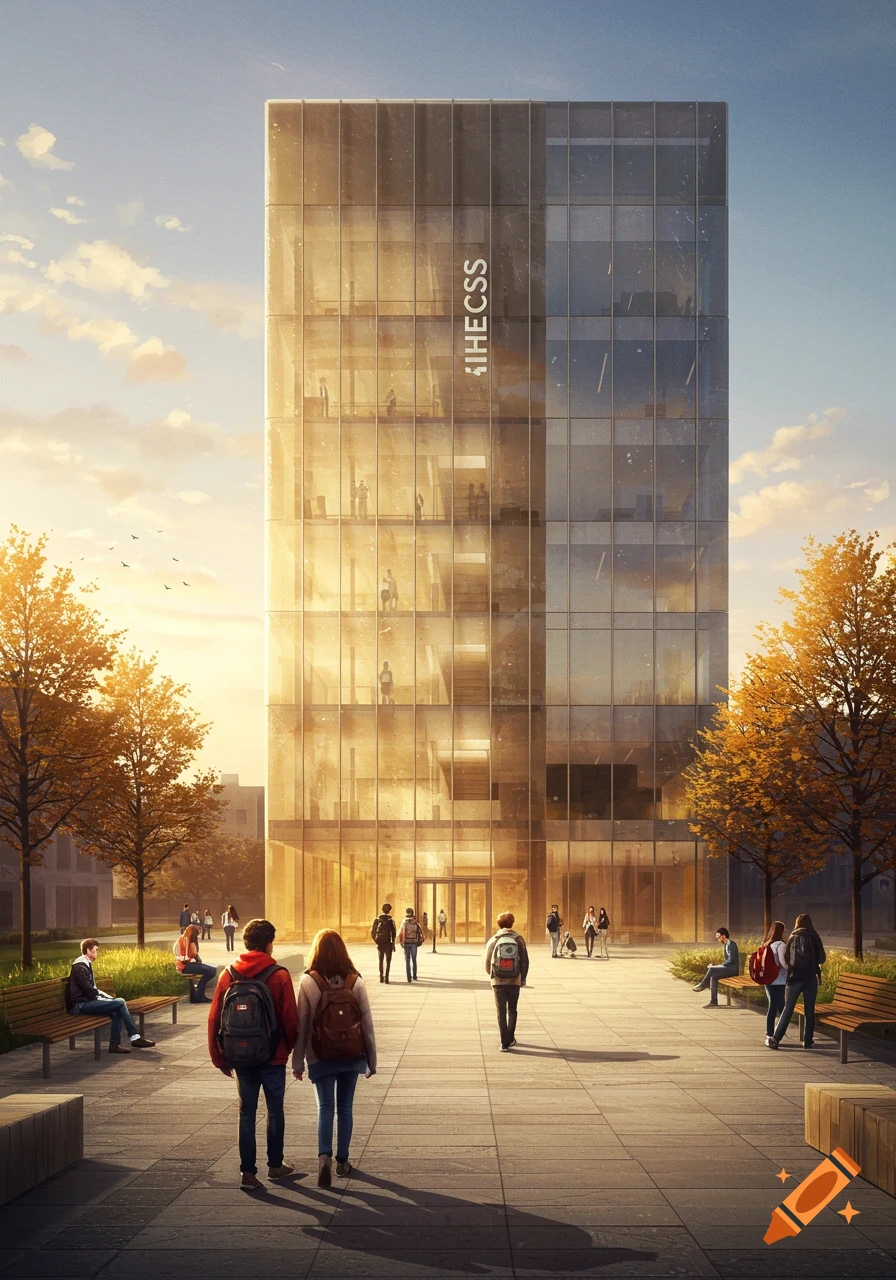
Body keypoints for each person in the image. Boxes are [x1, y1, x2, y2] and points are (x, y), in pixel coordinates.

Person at [208, 917, 298, 1192]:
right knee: (274, 1110)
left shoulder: (228, 974)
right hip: (272, 1057)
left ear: (246, 943)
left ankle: (248, 1173)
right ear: (269, 944)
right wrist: (287, 1048)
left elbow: (214, 1018)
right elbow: (290, 1019)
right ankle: (275, 1166)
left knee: (246, 1113)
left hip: (240, 1057)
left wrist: (218, 1057)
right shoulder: (279, 975)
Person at [293, 929, 376, 1187]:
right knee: (346, 1108)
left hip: (320, 1055)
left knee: (325, 1107)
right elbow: (367, 1024)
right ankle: (342, 1161)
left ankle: (324, 1158)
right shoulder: (355, 981)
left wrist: (298, 1062)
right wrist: (371, 1060)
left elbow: (302, 1026)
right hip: (351, 1054)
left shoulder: (309, 982)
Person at [65, 938, 155, 1055]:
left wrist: (108, 999)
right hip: (81, 1005)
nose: (97, 953)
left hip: (86, 1002)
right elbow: (90, 992)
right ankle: (134, 1037)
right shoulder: (80, 967)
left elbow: (92, 990)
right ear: (88, 950)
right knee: (120, 1002)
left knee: (116, 1009)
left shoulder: (85, 964)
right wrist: (107, 999)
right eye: (95, 950)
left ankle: (114, 1045)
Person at [767, 913, 827, 1050]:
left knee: (788, 1008)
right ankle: (807, 1041)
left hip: (794, 978)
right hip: (810, 978)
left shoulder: (792, 937)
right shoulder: (814, 936)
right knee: (809, 1010)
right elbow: (822, 959)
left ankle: (776, 1038)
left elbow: (787, 958)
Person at [485, 912, 530, 1052]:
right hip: (514, 979)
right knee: (512, 1009)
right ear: (512, 923)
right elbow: (525, 961)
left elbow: (487, 962)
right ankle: (510, 1038)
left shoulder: (494, 939)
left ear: (498, 924)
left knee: (501, 1011)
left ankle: (504, 1042)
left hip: (498, 981)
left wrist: (493, 975)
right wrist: (522, 978)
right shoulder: (518, 939)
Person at [692, 927, 740, 1007]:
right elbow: (726, 961)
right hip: (728, 968)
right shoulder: (725, 945)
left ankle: (703, 985)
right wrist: (718, 966)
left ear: (724, 936)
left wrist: (717, 966)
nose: (718, 939)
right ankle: (713, 1001)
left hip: (733, 970)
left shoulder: (732, 945)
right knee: (713, 977)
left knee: (711, 969)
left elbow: (731, 960)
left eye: (719, 937)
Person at [759, 920, 788, 1044]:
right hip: (779, 980)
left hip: (768, 980)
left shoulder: (766, 944)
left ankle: (772, 1033)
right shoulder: (781, 945)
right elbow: (783, 963)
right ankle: (774, 1034)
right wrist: (791, 968)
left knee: (774, 1006)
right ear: (781, 931)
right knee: (779, 1007)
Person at [175, 924, 217, 1003]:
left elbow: (175, 951)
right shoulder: (189, 941)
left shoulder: (180, 939)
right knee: (211, 971)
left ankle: (199, 994)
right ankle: (199, 995)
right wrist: (194, 944)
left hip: (188, 964)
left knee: (212, 970)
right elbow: (194, 953)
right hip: (186, 965)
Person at [371, 903, 396, 983]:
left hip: (380, 943)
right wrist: (393, 943)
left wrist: (376, 940)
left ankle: (381, 977)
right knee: (388, 961)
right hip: (388, 943)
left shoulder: (377, 920)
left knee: (380, 960)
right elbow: (394, 933)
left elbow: (373, 932)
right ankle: (387, 978)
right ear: (389, 911)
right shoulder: (391, 920)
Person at [399, 907, 424, 983]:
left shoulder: (404, 922)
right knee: (414, 960)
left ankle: (409, 977)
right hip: (414, 943)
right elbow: (421, 932)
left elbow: (400, 933)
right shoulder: (416, 922)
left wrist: (401, 943)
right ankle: (415, 975)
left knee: (407, 960)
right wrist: (419, 941)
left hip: (406, 943)